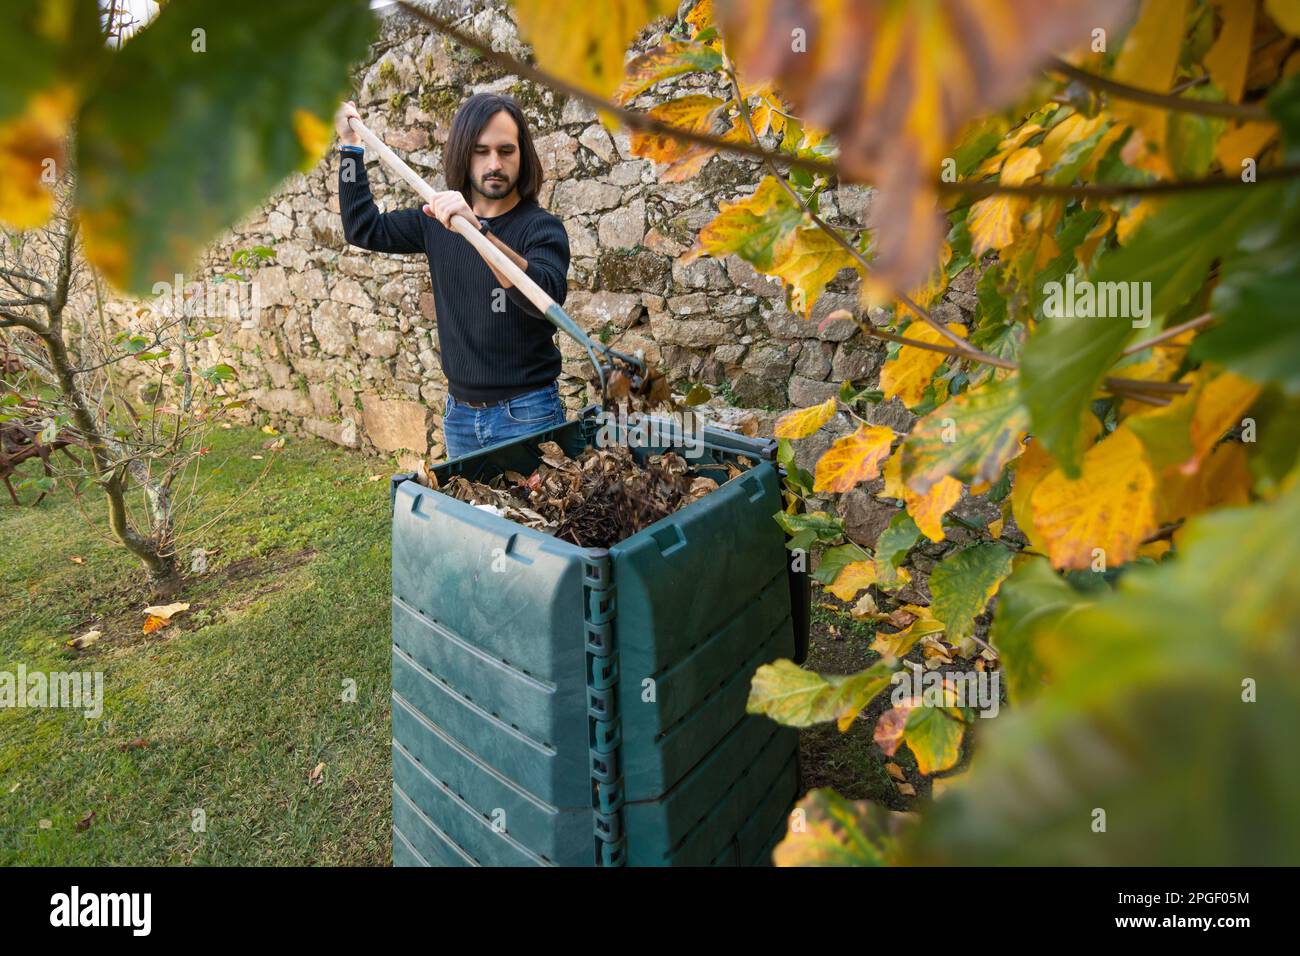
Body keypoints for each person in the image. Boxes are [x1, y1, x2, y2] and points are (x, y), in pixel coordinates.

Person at [334, 92, 570, 458]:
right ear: (464, 153)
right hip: (459, 417)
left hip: (527, 415)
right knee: (475, 516)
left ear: (522, 156)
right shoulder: (436, 223)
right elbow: (361, 228)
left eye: (506, 150)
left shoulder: (541, 229)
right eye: (481, 150)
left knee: (533, 518)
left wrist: (479, 231)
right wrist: (350, 149)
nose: (494, 163)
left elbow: (541, 299)